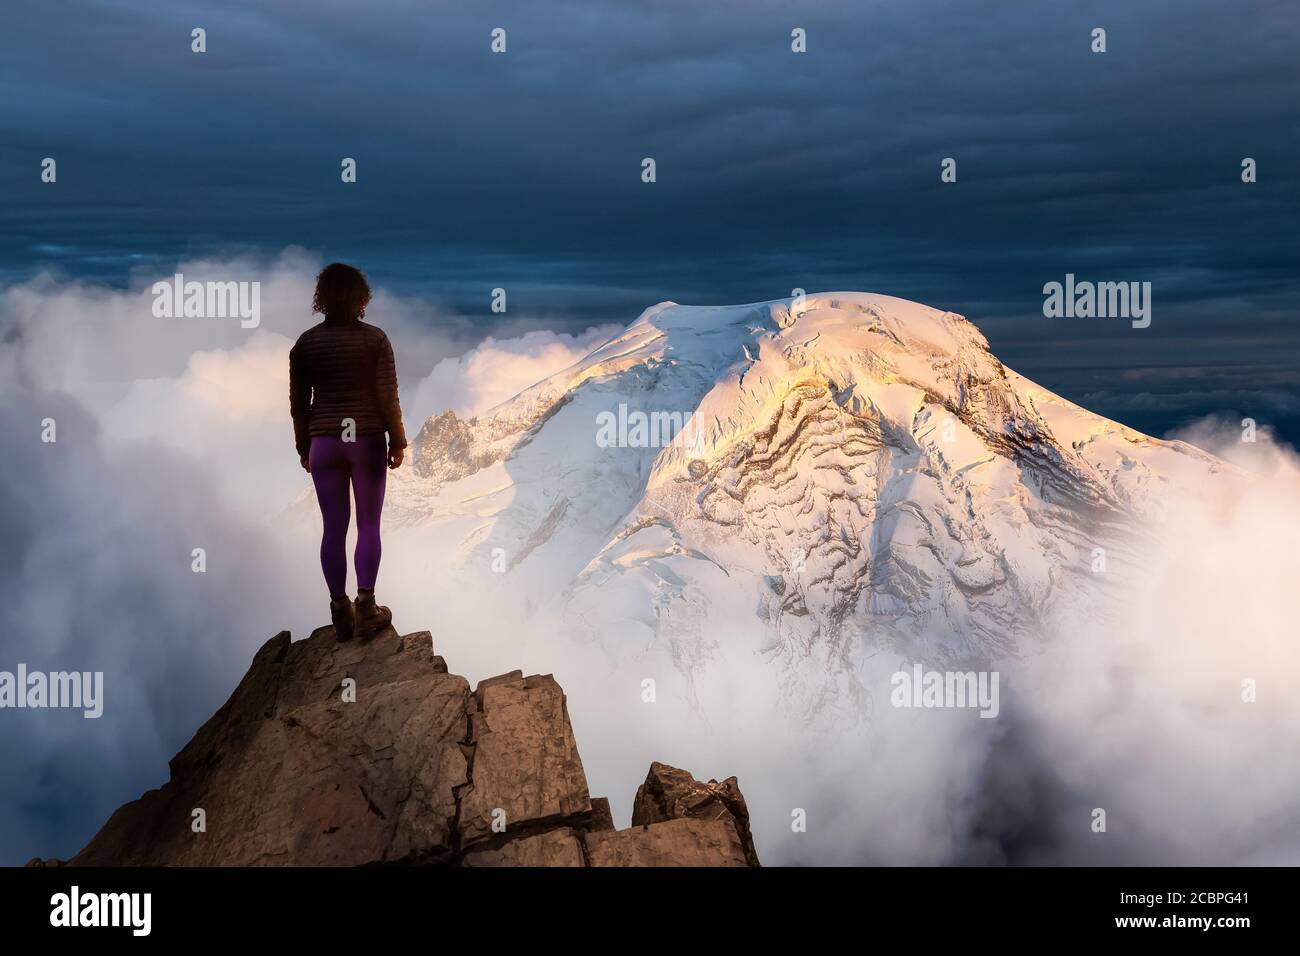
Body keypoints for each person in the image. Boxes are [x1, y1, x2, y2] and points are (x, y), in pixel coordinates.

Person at [289, 263, 407, 640]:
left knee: (333, 528)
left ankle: (340, 610)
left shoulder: (305, 344)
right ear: (361, 298)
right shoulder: (375, 340)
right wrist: (398, 440)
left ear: (321, 298)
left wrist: (304, 446)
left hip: (324, 442)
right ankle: (367, 607)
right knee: (368, 525)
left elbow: (298, 404)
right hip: (366, 440)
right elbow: (388, 395)